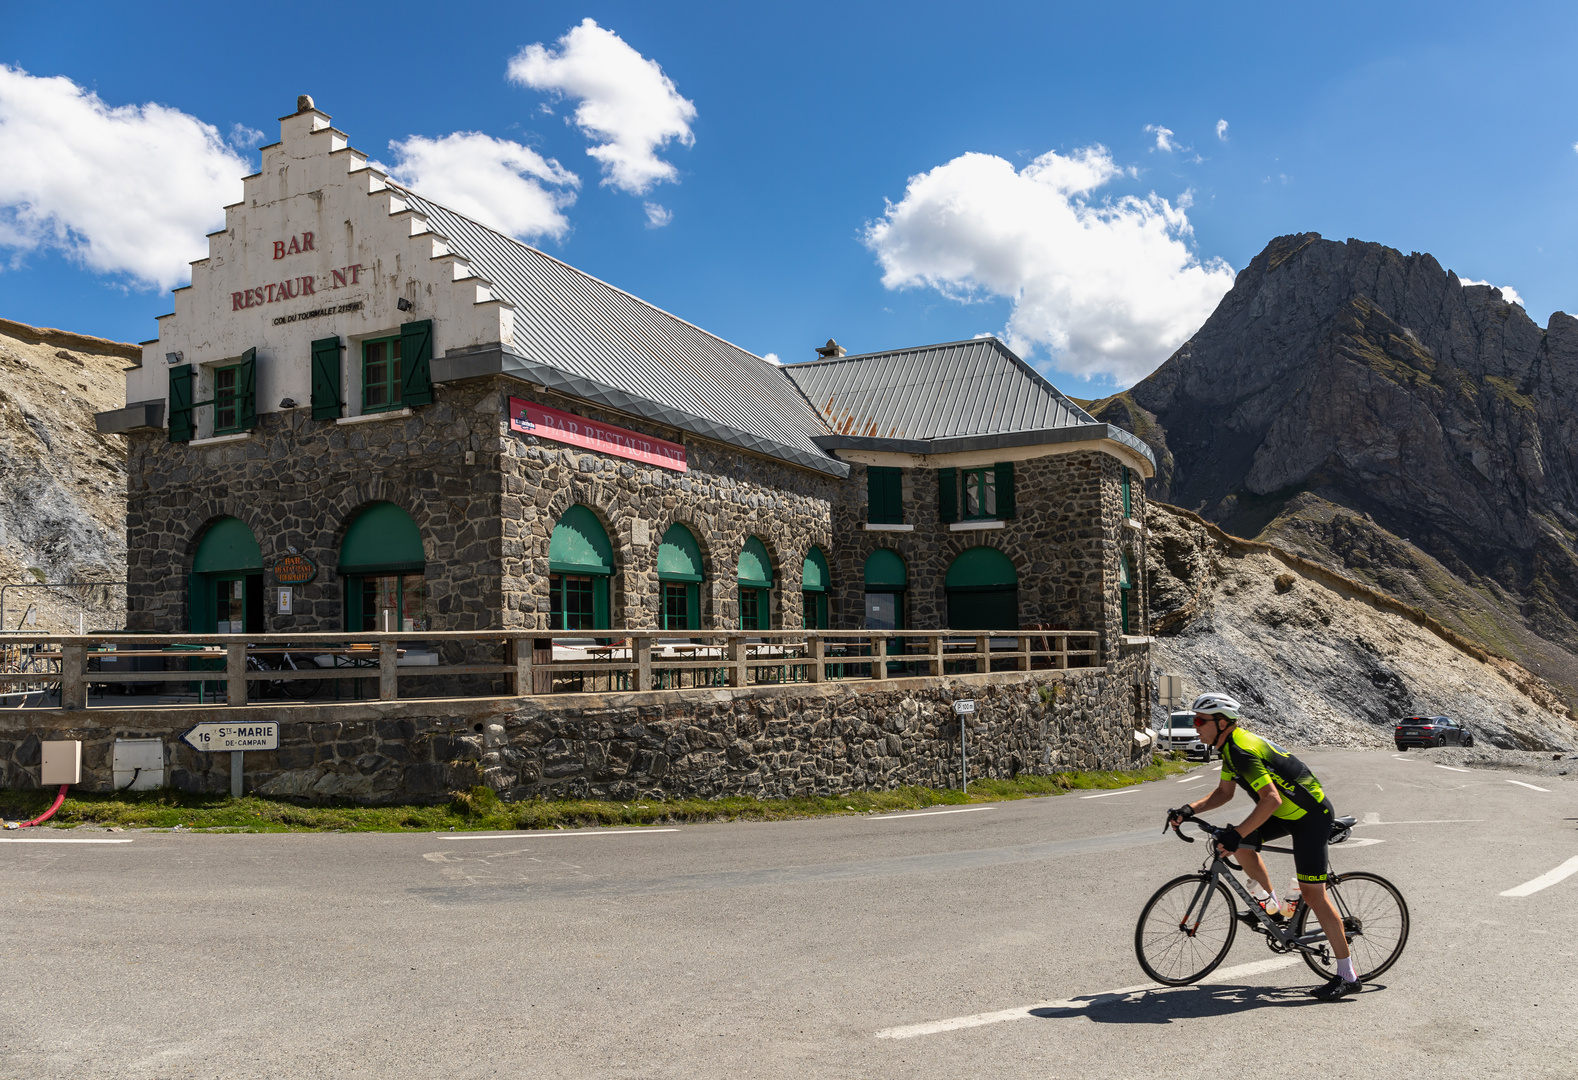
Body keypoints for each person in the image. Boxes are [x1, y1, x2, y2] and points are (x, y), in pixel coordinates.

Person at [1165, 692, 1361, 1001]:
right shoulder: (1229, 749)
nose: (1196, 726)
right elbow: (1223, 793)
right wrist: (1188, 809)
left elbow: (1271, 799)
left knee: (1314, 895)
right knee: (1241, 845)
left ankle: (1347, 975)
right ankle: (1271, 910)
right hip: (1287, 814)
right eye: (1194, 721)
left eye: (1200, 721)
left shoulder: (1242, 750)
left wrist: (1235, 832)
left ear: (1221, 722)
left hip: (1310, 817)